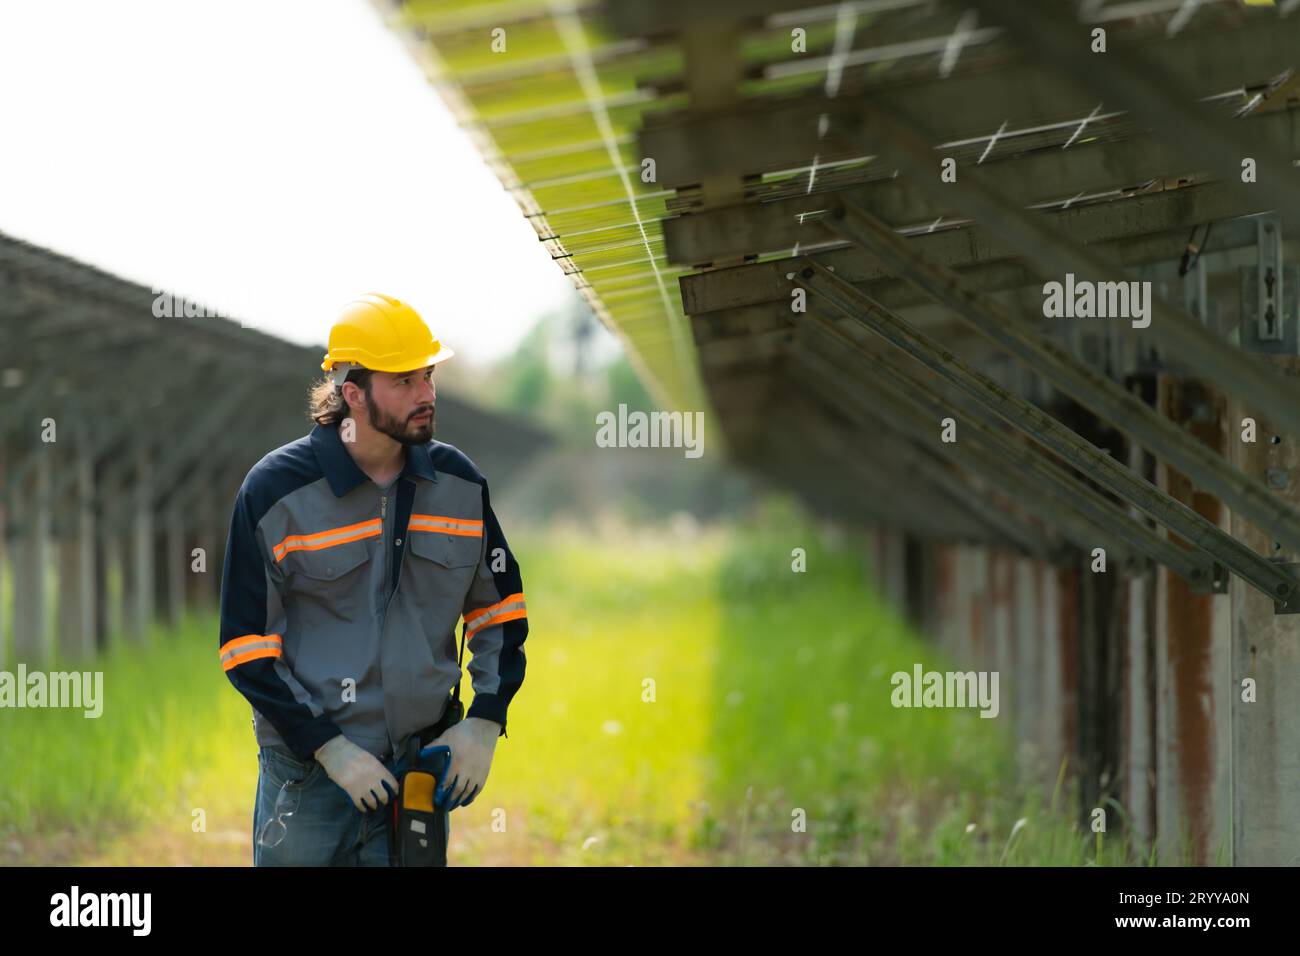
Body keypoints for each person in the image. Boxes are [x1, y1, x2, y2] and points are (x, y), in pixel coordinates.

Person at [218, 292, 528, 866]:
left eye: (429, 376)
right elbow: (245, 646)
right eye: (405, 381)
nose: (427, 394)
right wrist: (331, 751)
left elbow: (499, 611)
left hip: (416, 776)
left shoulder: (459, 485)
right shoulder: (273, 493)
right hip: (308, 782)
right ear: (353, 393)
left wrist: (485, 720)